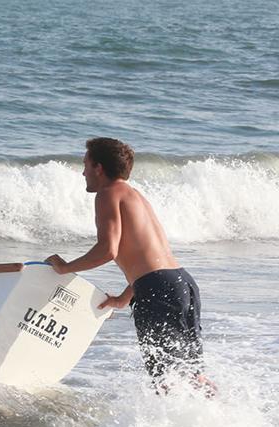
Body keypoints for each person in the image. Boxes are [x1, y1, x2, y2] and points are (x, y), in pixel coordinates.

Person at [46, 138, 213, 393]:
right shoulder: (136, 196)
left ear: (99, 168)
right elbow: (149, 257)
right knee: (193, 376)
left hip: (158, 289)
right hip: (183, 284)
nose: (83, 172)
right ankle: (226, 423)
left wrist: (65, 268)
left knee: (164, 379)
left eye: (85, 164)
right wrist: (124, 297)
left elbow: (108, 250)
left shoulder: (108, 193)